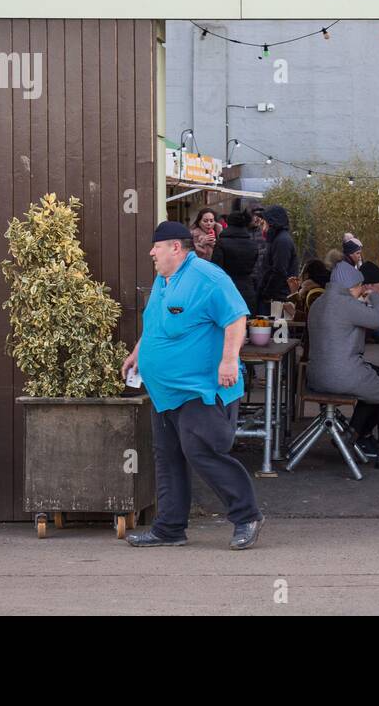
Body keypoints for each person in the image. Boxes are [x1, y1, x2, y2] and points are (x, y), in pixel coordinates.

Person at [122, 221, 264, 551]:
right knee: (168, 455)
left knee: (202, 451)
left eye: (156, 247)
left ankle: (247, 516)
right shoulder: (163, 279)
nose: (151, 253)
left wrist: (229, 360)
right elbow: (156, 323)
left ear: (175, 247)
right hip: (165, 392)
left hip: (201, 388)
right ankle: (170, 528)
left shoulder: (208, 277)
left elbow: (236, 318)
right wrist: (138, 353)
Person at [306, 261, 379, 468]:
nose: (362, 290)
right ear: (351, 286)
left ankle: (351, 436)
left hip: (316, 374)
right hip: (341, 375)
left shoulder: (320, 302)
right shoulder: (345, 303)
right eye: (361, 286)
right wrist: (375, 295)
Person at [253, 205, 299, 316]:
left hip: (278, 299)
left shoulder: (282, 241)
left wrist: (267, 293)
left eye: (264, 222)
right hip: (275, 296)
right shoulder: (277, 239)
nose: (262, 226)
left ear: (272, 223)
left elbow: (279, 271)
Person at [211, 210, 258, 316]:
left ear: (228, 223)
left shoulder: (221, 243)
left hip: (226, 290)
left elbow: (215, 268)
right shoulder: (252, 244)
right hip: (247, 289)